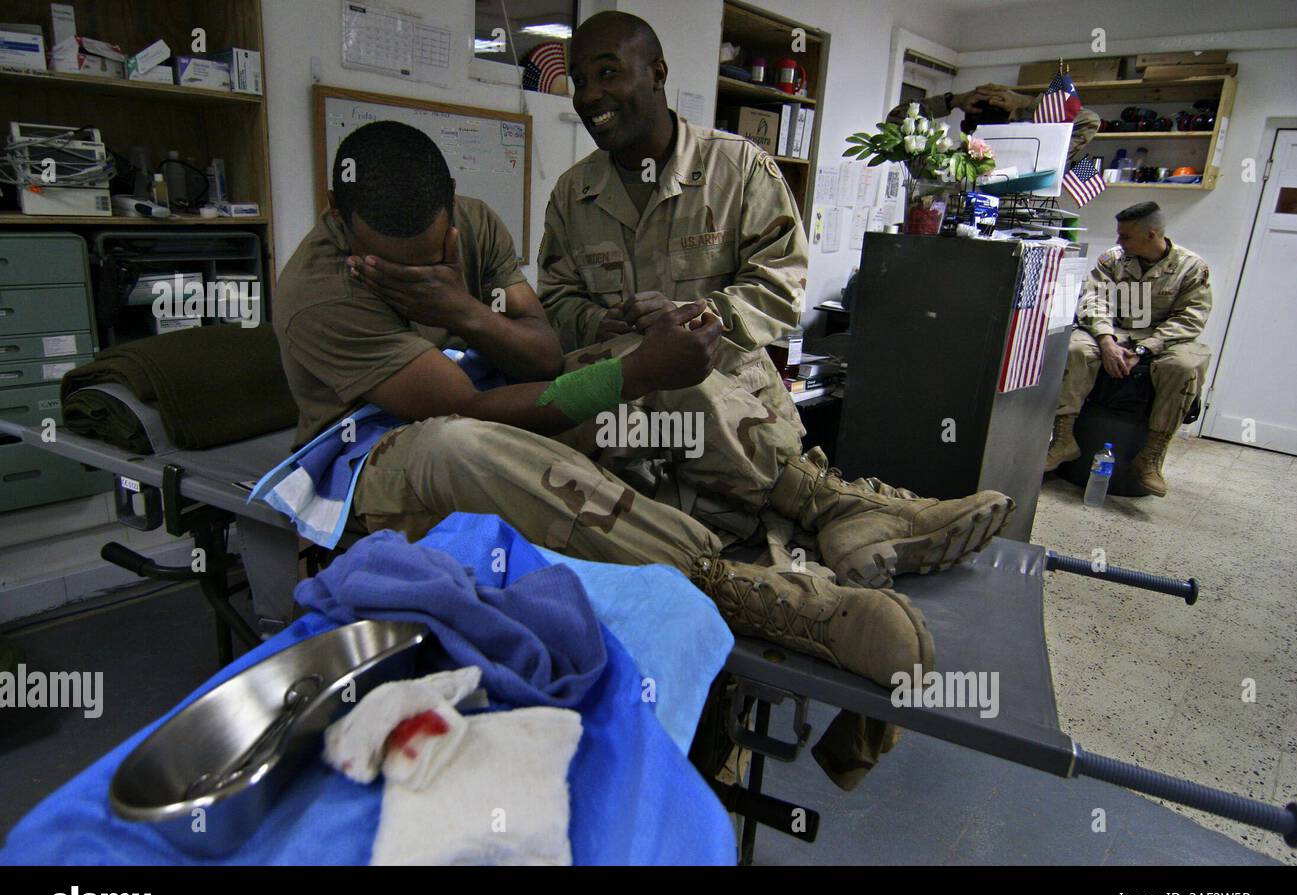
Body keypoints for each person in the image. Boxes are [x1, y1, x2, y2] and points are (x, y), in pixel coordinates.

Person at [273, 119, 942, 790]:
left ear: (451, 210)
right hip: (374, 454)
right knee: (462, 444)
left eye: (431, 259)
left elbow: (542, 352)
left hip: (486, 398)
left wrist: (464, 311)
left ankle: (826, 504)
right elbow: (464, 414)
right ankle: (750, 592)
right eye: (401, 268)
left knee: (648, 362)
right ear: (339, 216)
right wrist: (630, 376)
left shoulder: (472, 224)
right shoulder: (318, 292)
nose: (420, 276)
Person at [540, 12, 1014, 788]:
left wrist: (702, 324)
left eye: (608, 73)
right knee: (706, 578)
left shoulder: (740, 170)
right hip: (639, 439)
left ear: (657, 74)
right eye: (583, 80)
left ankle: (763, 727)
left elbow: (783, 286)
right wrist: (617, 327)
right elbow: (556, 304)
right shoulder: (574, 193)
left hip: (742, 424)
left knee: (727, 529)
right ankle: (843, 523)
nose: (592, 95)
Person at [1044, 202, 1212, 496]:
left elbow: (1191, 318)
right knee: (1075, 349)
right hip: (1115, 331)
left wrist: (1147, 349)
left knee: (1185, 366)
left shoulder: (1191, 268)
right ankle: (1064, 439)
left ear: (1152, 234)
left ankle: (1150, 456)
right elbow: (1094, 301)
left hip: (1164, 339)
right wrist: (1106, 341)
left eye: (1126, 237)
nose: (1118, 242)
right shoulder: (1113, 260)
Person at [916, 83, 1100, 163]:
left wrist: (953, 100)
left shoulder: (942, 165)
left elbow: (898, 117)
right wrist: (1027, 102)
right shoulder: (1031, 161)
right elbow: (1089, 120)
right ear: (1011, 123)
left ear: (964, 128)